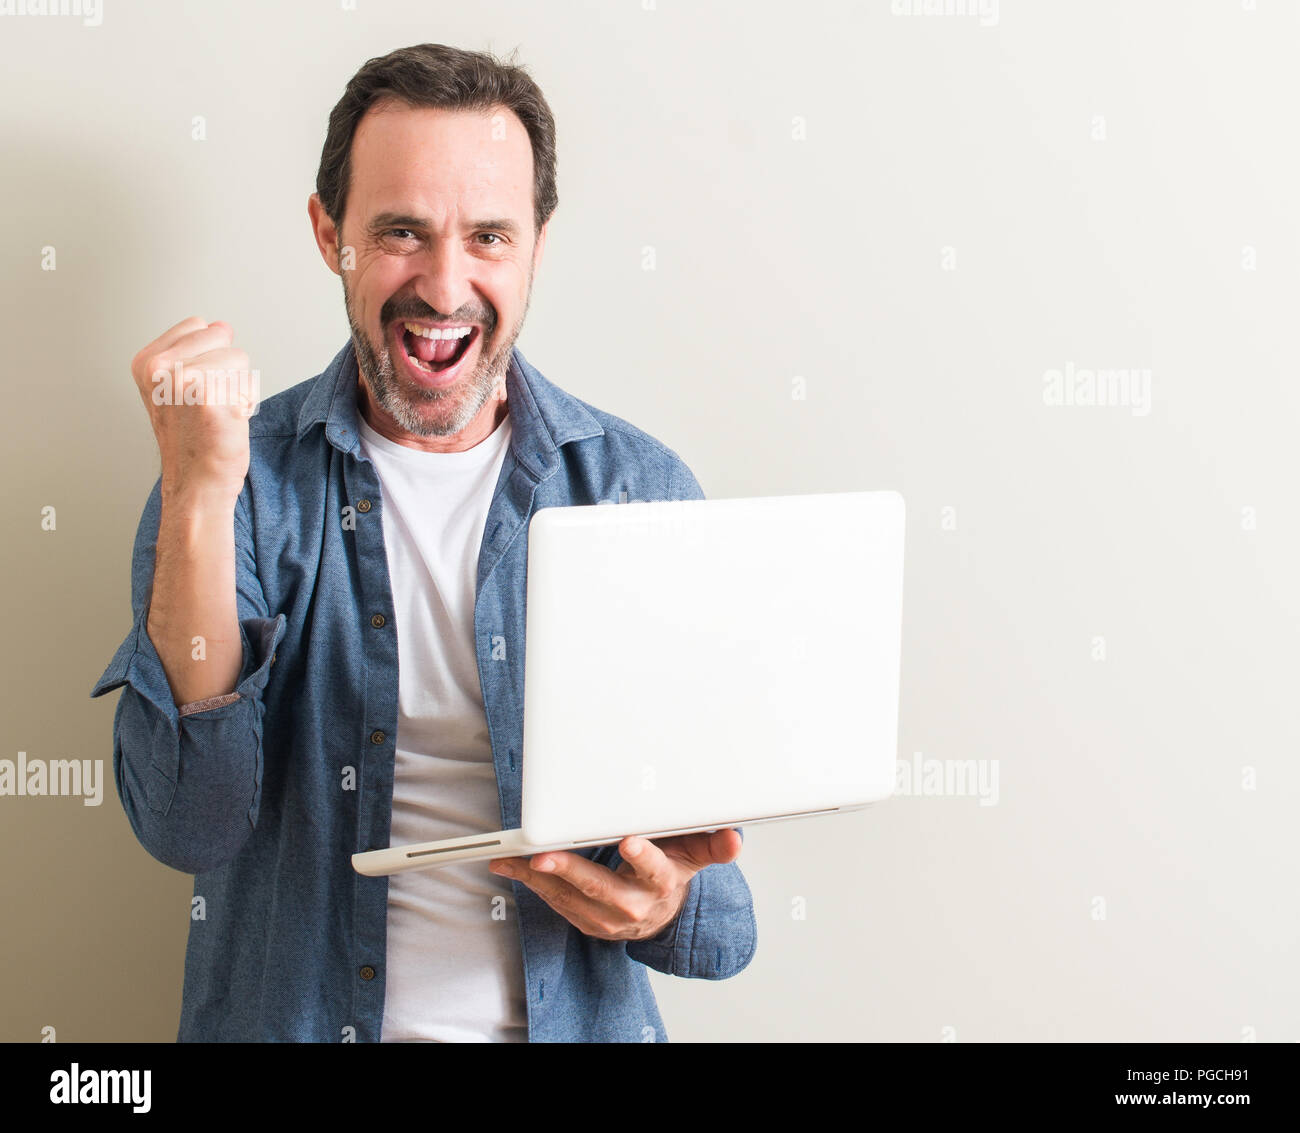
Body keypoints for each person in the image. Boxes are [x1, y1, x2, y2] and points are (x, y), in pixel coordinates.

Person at [90, 42, 756, 1043]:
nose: (445, 286)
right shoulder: (236, 482)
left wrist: (660, 903)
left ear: (537, 241)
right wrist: (194, 493)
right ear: (332, 235)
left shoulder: (636, 490)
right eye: (402, 231)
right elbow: (188, 823)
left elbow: (720, 933)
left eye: (488, 235)